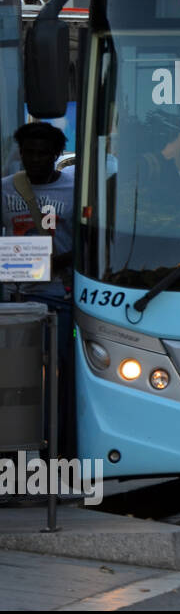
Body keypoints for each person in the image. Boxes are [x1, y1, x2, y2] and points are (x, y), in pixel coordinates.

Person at [1, 121, 76, 455]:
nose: (33, 159)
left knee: (61, 379)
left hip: (59, 297)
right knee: (17, 380)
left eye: (42, 153)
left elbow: (87, 243)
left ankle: (59, 447)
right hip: (16, 302)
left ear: (56, 155)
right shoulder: (5, 189)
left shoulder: (73, 191)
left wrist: (59, 263)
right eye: (28, 153)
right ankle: (19, 450)